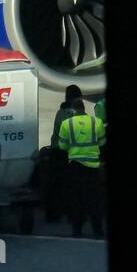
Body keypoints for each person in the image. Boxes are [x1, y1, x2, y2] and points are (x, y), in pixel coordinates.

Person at [57, 98, 106, 237]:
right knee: (94, 198)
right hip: (93, 166)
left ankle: (77, 230)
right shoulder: (97, 122)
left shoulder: (67, 124)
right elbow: (102, 143)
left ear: (72, 110)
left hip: (75, 165)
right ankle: (98, 230)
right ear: (84, 108)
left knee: (77, 199)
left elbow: (62, 146)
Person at [40, 84, 83, 223]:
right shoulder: (70, 114)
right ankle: (71, 214)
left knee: (58, 185)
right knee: (70, 186)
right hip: (65, 153)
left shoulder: (61, 112)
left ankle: (56, 214)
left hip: (58, 153)